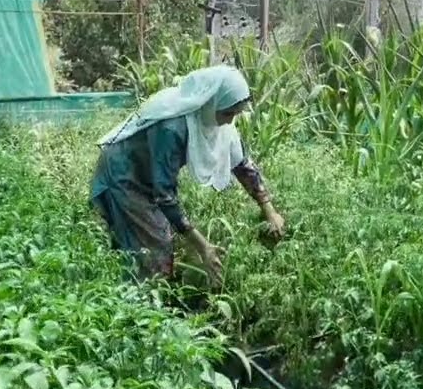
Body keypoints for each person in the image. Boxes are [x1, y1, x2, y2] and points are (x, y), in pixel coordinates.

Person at [90, 65, 285, 283]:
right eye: (227, 113)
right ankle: (143, 297)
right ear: (211, 103)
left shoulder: (212, 118)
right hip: (124, 175)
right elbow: (164, 194)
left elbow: (242, 164)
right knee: (155, 247)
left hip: (148, 175)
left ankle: (141, 286)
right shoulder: (172, 127)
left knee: (156, 239)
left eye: (235, 114)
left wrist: (269, 210)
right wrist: (203, 247)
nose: (230, 121)